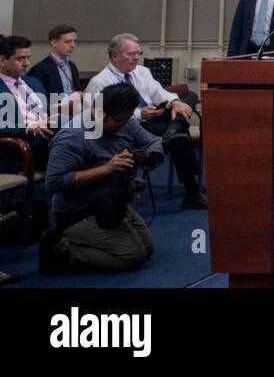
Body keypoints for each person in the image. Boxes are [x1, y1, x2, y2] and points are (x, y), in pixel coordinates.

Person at [40, 82, 163, 274]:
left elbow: (153, 141)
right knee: (133, 256)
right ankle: (63, 249)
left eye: (127, 119)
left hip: (110, 201)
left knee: (147, 249)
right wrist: (107, 168)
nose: (124, 125)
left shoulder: (124, 121)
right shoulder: (72, 135)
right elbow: (54, 183)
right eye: (120, 122)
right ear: (103, 114)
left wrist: (152, 157)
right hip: (77, 211)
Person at [85, 34, 205, 209]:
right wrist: (141, 114)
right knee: (181, 136)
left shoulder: (142, 72)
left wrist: (175, 102)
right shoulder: (100, 82)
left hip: (155, 116)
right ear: (115, 56)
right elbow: (105, 118)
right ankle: (192, 191)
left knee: (189, 96)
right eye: (131, 54)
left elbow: (160, 93)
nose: (136, 58)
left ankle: (172, 132)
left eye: (138, 53)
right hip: (132, 126)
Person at [0, 35, 52, 171]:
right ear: (3, 60)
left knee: (83, 126)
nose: (26, 63)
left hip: (47, 134)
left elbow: (47, 112)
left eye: (28, 57)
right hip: (20, 143)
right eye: (20, 59)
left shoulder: (33, 82)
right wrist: (27, 128)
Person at [28, 24, 84, 121]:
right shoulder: (40, 69)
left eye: (74, 41)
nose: (73, 45)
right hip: (55, 117)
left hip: (76, 113)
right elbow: (38, 103)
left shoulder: (72, 66)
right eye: (68, 42)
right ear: (54, 43)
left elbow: (77, 89)